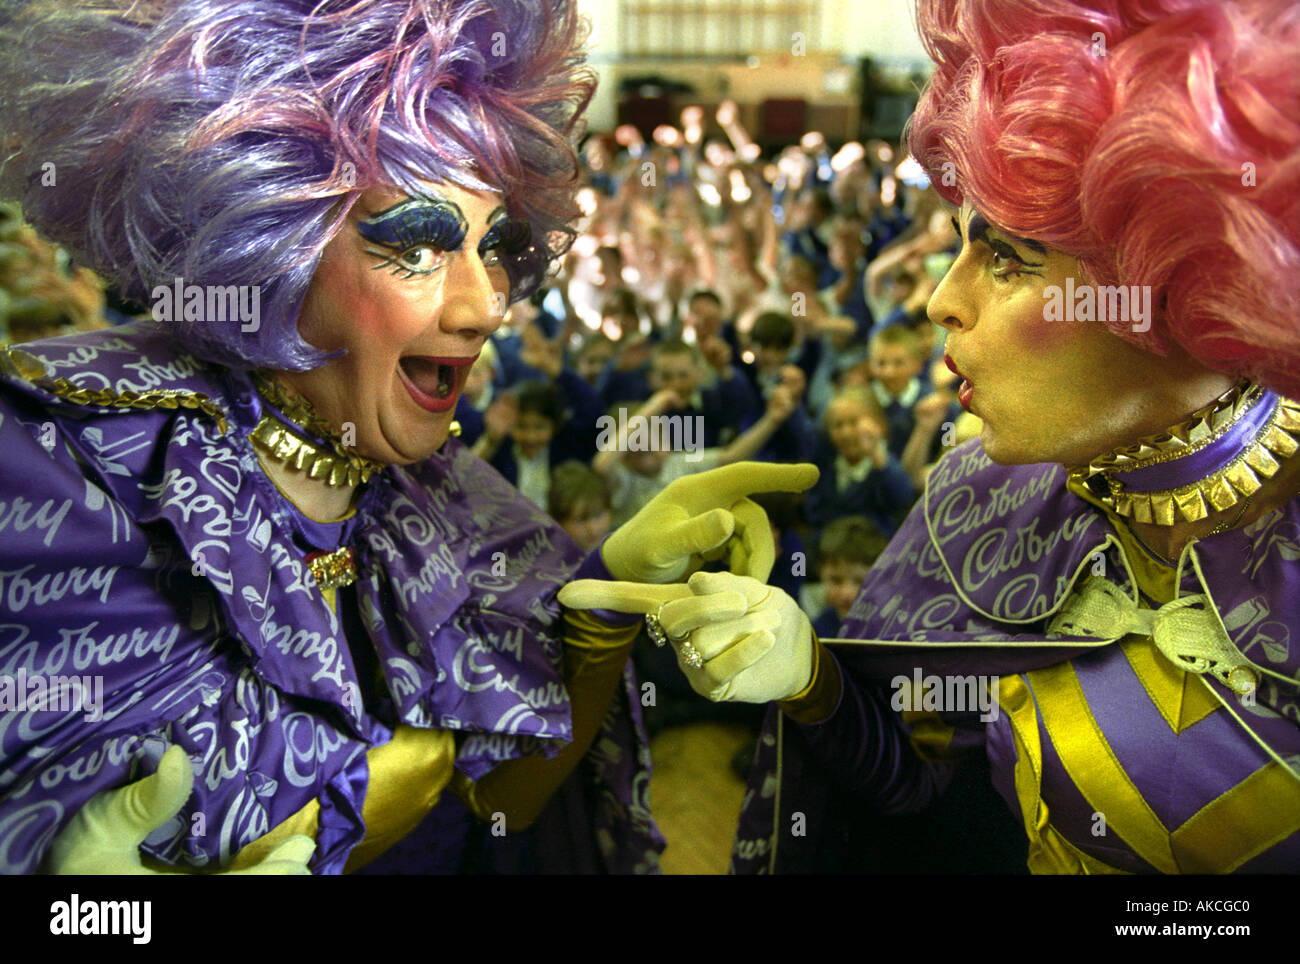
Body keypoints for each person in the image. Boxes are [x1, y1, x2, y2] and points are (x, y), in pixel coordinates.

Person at [0, 0, 813, 876]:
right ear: (270, 245)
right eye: (418, 246)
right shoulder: (66, 464)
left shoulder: (460, 502)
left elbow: (509, 801)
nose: (486, 305)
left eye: (493, 245)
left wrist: (602, 607)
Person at [564, 0, 1300, 874]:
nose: (939, 299)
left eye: (1010, 257)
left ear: (1176, 274)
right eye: (957, 248)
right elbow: (920, 802)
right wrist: (812, 678)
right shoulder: (972, 504)